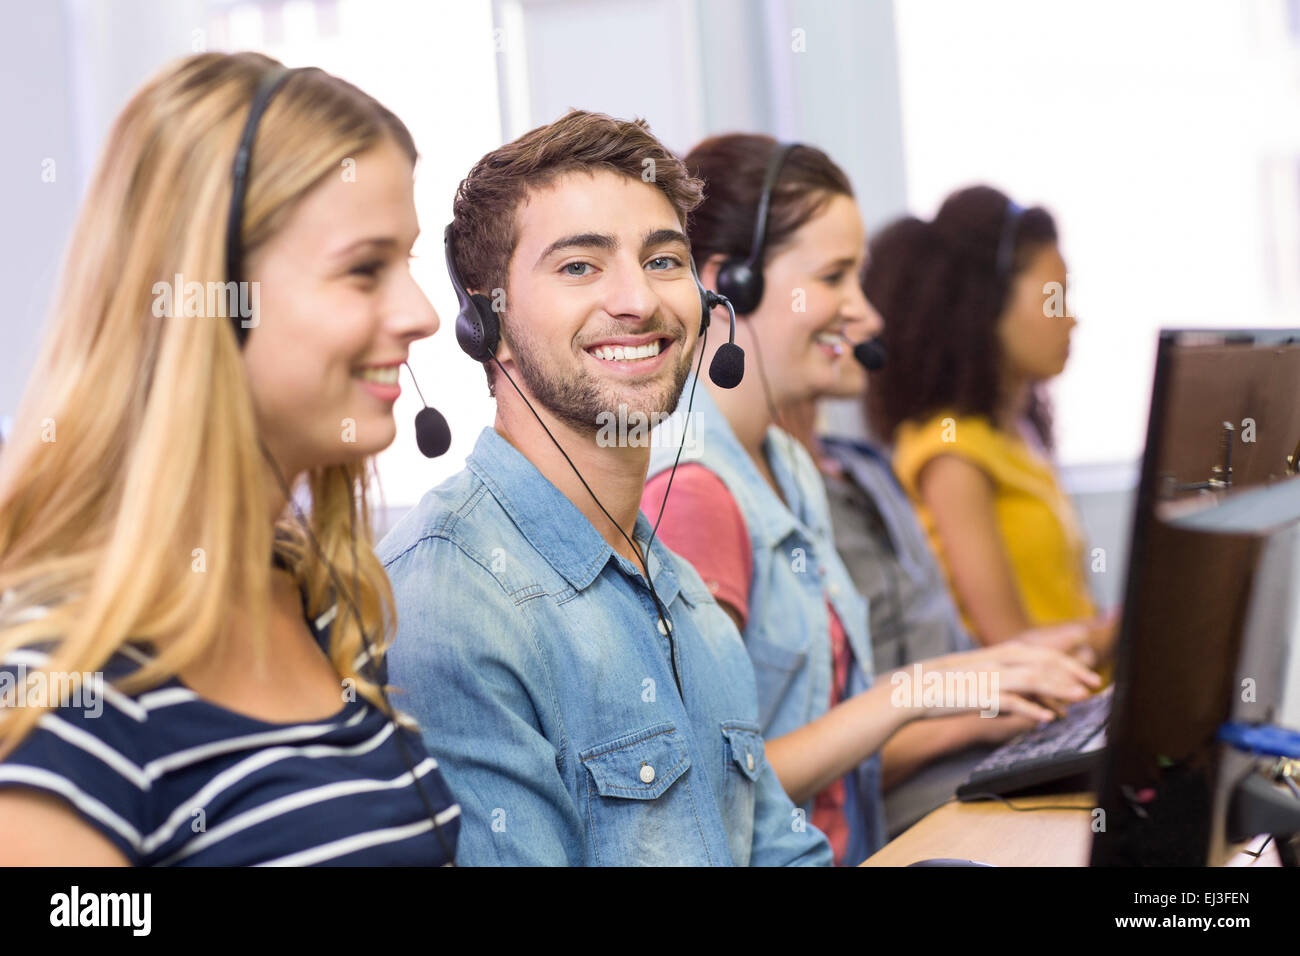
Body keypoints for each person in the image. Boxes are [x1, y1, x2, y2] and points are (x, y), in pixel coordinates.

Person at [0, 53, 459, 865]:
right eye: (364, 269)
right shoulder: (58, 689)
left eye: (409, 263)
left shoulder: (319, 601)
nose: (422, 313)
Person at [643, 135, 1101, 863]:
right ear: (731, 286)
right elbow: (712, 788)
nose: (868, 314)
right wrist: (914, 694)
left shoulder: (790, 471)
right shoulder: (694, 492)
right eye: (835, 278)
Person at [864, 186, 1107, 647]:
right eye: (1055, 299)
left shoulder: (1017, 434)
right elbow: (1011, 645)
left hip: (1083, 685)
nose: (1070, 318)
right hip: (1040, 691)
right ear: (988, 305)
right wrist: (1121, 631)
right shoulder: (951, 454)